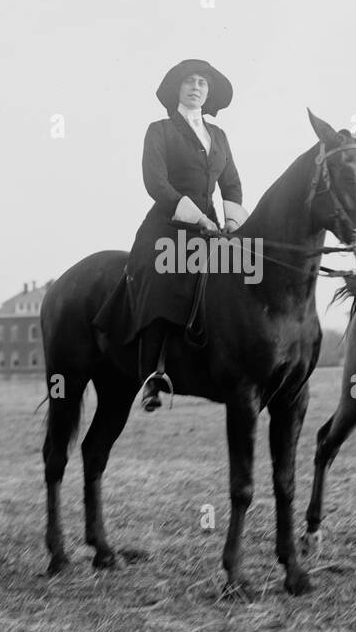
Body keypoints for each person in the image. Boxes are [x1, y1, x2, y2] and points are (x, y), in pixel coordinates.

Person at [94, 58, 249, 412]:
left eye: (202, 83)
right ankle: (153, 373)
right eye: (189, 82)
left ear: (208, 93)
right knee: (164, 277)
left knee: (246, 272)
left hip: (213, 228)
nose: (196, 87)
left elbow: (232, 183)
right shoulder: (159, 130)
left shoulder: (219, 136)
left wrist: (232, 223)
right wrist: (198, 219)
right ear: (177, 89)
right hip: (167, 225)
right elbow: (156, 183)